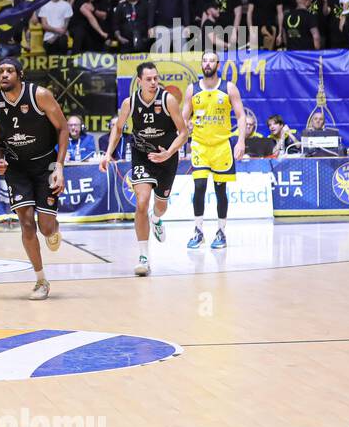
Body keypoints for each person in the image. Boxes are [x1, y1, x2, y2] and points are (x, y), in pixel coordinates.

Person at [0, 58, 69, 300]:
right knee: (26, 223)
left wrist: (59, 167)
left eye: (9, 71)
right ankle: (41, 280)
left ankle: (54, 228)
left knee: (46, 227)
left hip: (45, 165)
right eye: (0, 71)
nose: (4, 75)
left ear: (20, 74)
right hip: (16, 168)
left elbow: (63, 129)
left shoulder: (40, 95)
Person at [100, 62, 188, 276]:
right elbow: (118, 129)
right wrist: (108, 153)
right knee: (141, 202)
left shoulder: (168, 100)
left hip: (166, 157)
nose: (153, 82)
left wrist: (168, 152)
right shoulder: (129, 103)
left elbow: (184, 133)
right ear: (139, 81)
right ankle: (143, 257)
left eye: (156, 78)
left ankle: (157, 220)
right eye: (148, 79)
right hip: (142, 156)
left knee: (160, 205)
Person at [182, 50, 247, 249]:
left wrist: (241, 141)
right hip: (200, 145)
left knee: (221, 191)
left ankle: (221, 232)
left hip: (222, 146)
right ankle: (198, 231)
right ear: (201, 65)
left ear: (218, 65)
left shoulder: (229, 88)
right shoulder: (192, 89)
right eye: (205, 61)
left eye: (212, 61)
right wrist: (186, 128)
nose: (208, 64)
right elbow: (184, 117)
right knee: (199, 187)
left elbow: (241, 116)